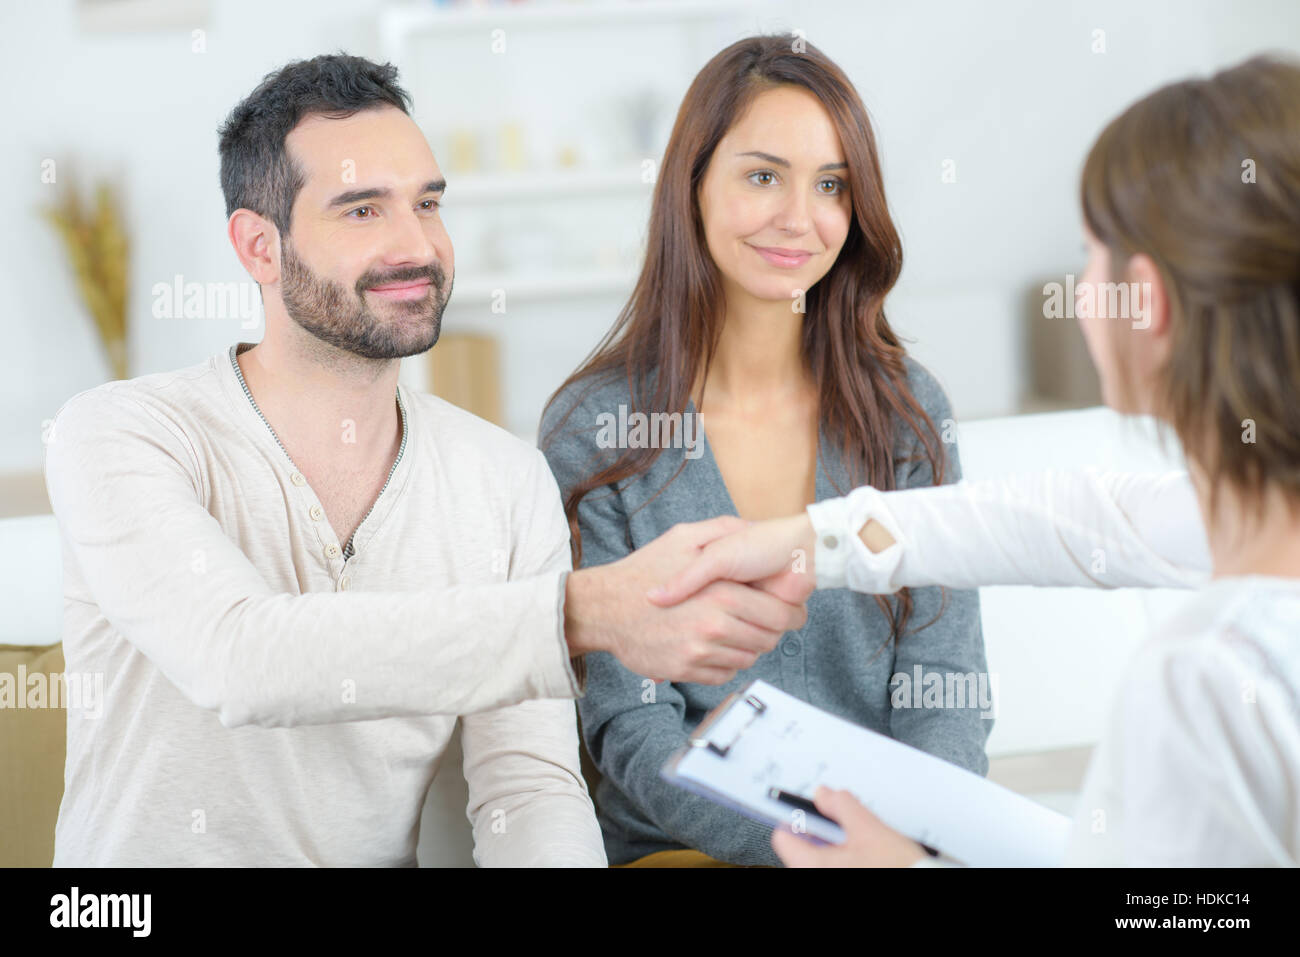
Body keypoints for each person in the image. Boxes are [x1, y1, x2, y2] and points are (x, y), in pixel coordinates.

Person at [43, 54, 807, 867]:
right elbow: (242, 658)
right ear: (259, 246)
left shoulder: (506, 482)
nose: (417, 246)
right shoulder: (122, 434)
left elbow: (528, 789)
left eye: (428, 203)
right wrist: (579, 612)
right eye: (362, 209)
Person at [653, 54, 1300, 867]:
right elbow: (1077, 521)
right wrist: (806, 540)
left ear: (1150, 304)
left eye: (1090, 253)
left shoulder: (1208, 677)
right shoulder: (1234, 548)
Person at [540, 35, 989, 868]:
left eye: (831, 185)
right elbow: (632, 732)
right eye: (761, 175)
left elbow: (948, 691)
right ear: (693, 186)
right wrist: (812, 851)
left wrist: (915, 846)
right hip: (688, 849)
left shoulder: (909, 414)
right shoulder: (594, 427)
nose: (799, 217)